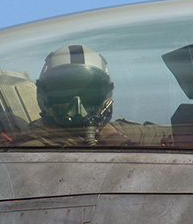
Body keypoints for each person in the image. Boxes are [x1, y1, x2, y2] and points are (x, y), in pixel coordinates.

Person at [18, 44, 171, 147]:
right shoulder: (33, 148)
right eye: (65, 93)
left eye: (88, 94)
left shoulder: (110, 130)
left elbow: (176, 134)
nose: (77, 104)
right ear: (45, 95)